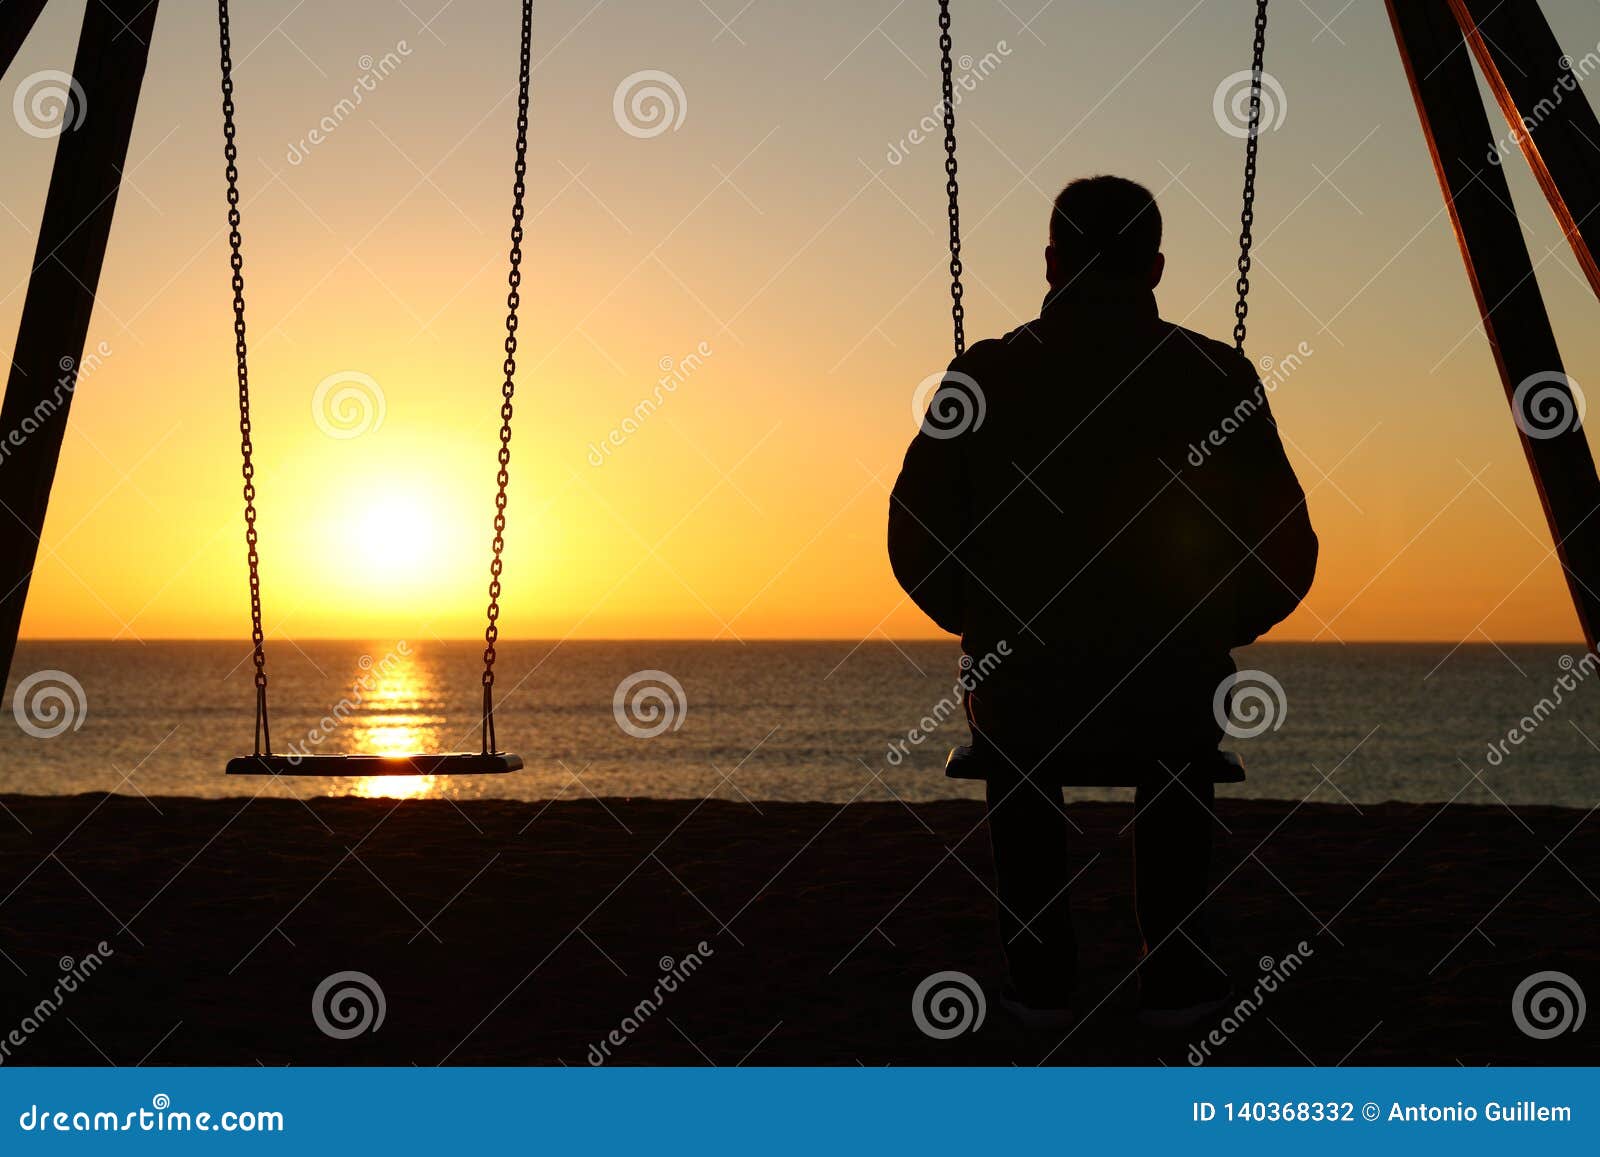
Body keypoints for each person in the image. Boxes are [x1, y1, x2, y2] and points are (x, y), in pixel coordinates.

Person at [887, 175, 1318, 1030]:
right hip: (1170, 683)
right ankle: (1177, 977)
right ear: (1155, 266)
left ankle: (1041, 980)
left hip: (1024, 686)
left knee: (1015, 728)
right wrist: (1217, 624)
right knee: (1178, 721)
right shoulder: (1214, 374)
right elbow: (1289, 553)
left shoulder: (987, 374)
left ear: (1051, 261)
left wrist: (983, 620)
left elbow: (913, 536)